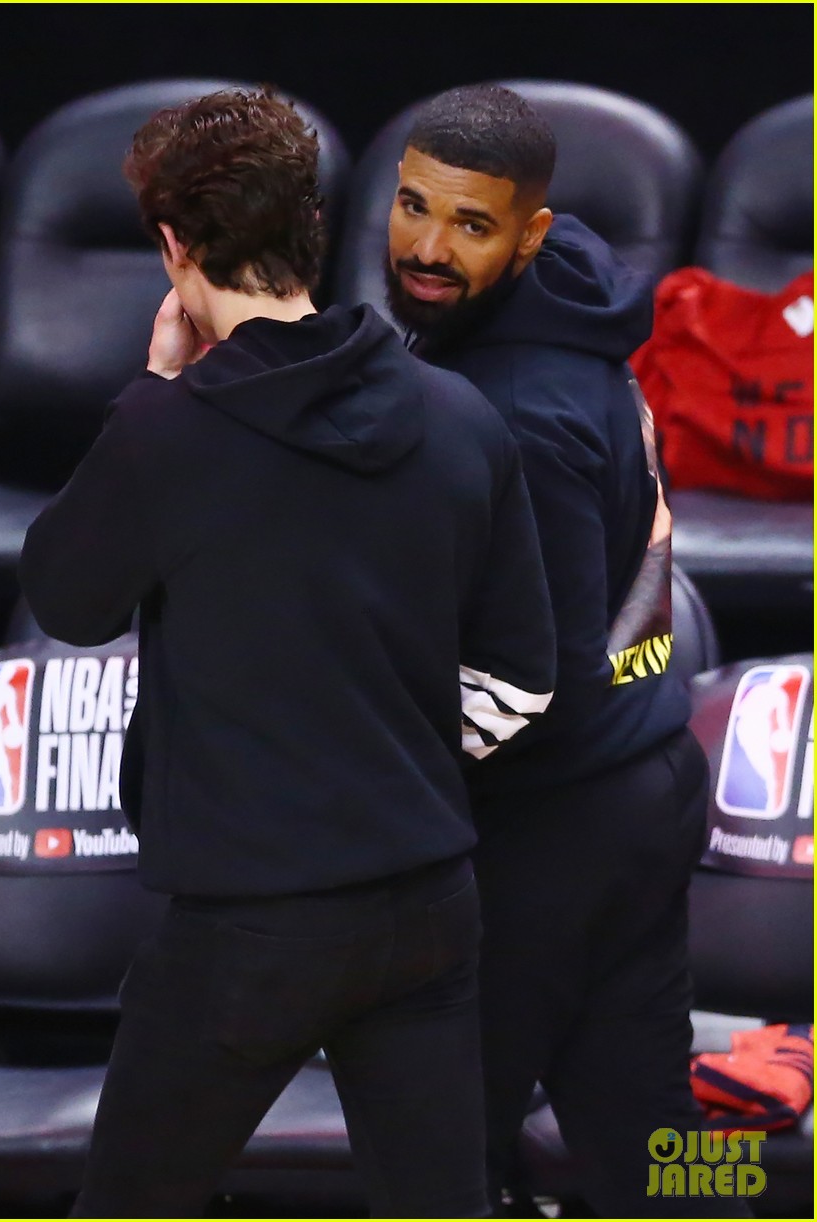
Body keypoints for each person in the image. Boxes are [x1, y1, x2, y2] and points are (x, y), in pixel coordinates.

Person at [19, 88, 556, 1219]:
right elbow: (521, 678)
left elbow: (66, 601)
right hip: (425, 906)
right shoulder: (460, 414)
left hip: (244, 927)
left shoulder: (169, 432)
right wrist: (389, 774)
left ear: (177, 246)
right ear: (314, 227)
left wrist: (156, 390)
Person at [385, 84, 744, 1219]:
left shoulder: (514, 411)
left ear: (530, 232)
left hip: (553, 815)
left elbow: (524, 677)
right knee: (656, 1131)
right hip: (645, 771)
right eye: (410, 206)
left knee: (440, 1150)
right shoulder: (562, 303)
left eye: (471, 226)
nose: (428, 248)